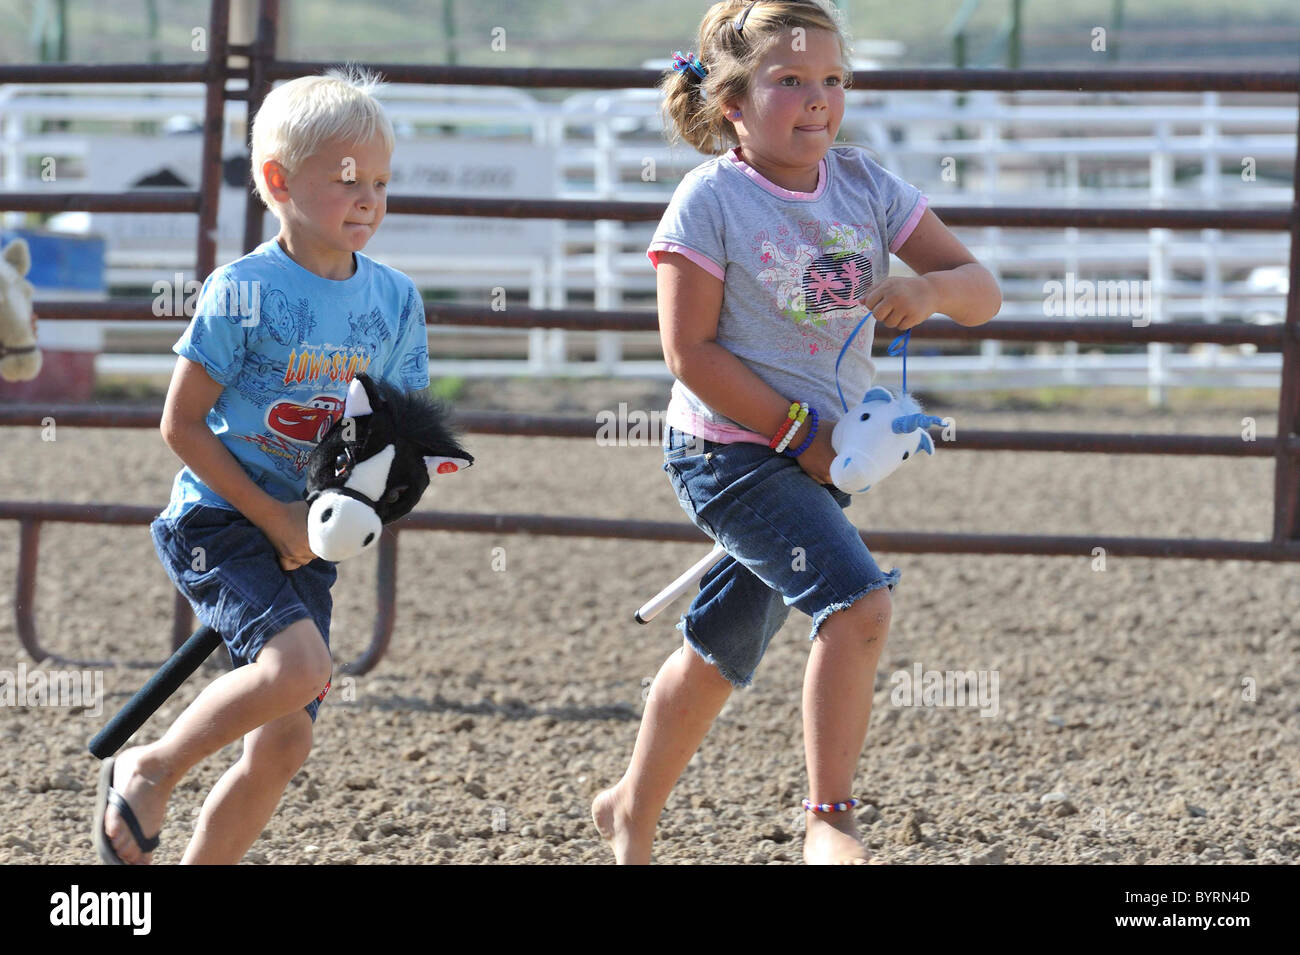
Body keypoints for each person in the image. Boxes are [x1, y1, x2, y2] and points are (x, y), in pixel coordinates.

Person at [593, 0, 1001, 864]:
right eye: (791, 82)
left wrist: (928, 293)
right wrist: (797, 437)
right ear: (732, 103)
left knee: (720, 652)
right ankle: (831, 815)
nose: (818, 99)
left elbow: (980, 289)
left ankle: (631, 806)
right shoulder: (708, 202)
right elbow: (688, 352)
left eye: (832, 81)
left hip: (818, 455)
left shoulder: (865, 185)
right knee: (858, 604)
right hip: (729, 450)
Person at [94, 67, 430, 865]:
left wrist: (374, 493)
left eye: (380, 181)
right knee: (299, 667)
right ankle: (149, 765)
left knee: (282, 745)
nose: (368, 198)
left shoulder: (395, 300)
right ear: (278, 182)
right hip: (220, 518)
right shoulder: (240, 291)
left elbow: (399, 426)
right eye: (348, 179)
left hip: (310, 536)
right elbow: (180, 424)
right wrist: (273, 515)